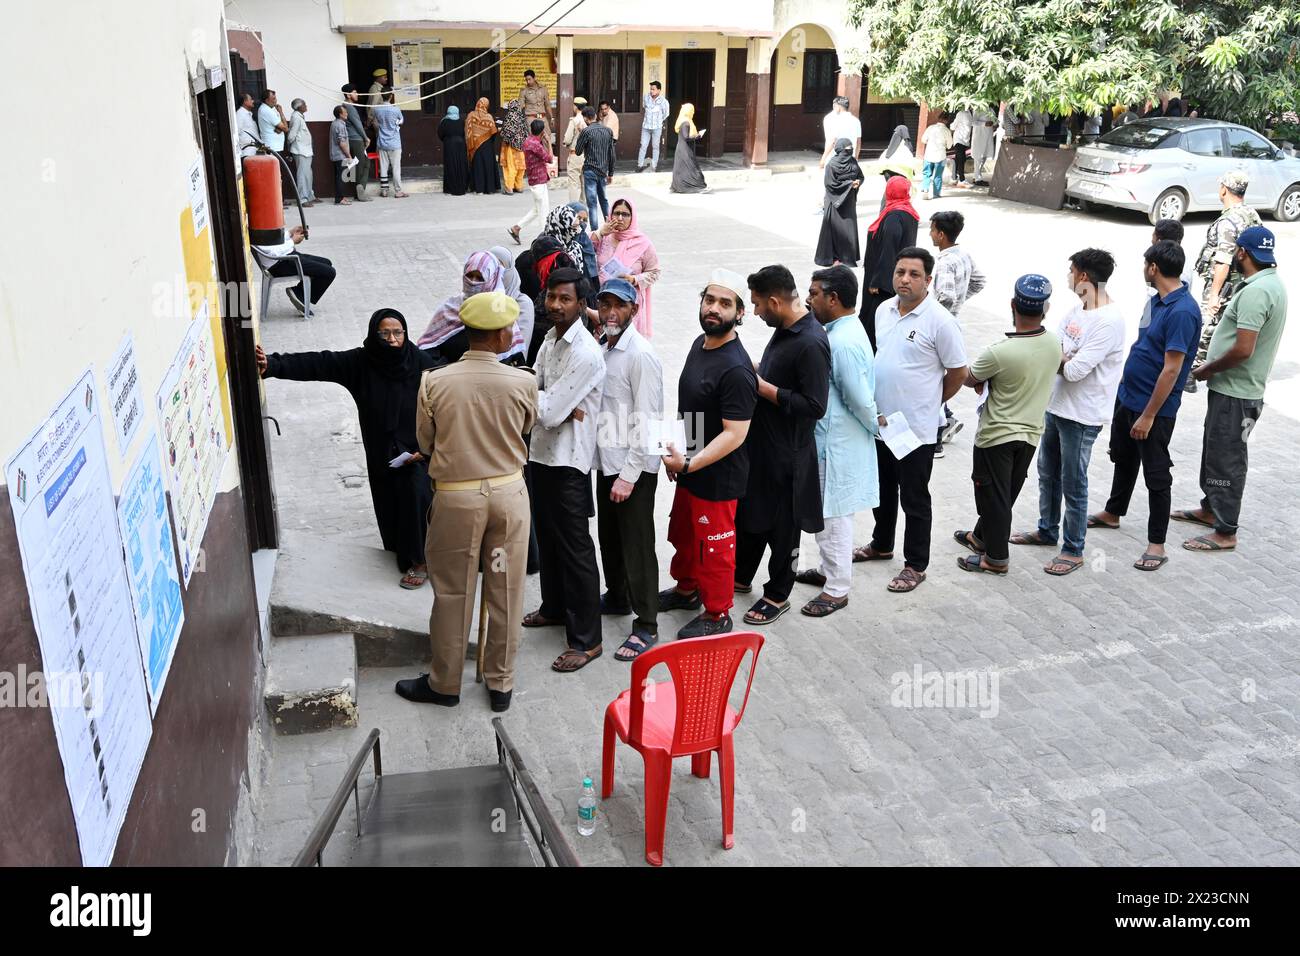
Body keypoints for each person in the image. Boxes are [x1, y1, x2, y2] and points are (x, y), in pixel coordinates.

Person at [395, 292, 537, 712]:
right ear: (499, 335)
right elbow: (526, 427)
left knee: (454, 592)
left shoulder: (434, 380)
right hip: (508, 498)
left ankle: (445, 683)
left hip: (457, 500)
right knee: (506, 590)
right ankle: (500, 683)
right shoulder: (523, 381)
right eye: (509, 327)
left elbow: (425, 440)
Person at [256, 309, 442, 588]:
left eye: (398, 333)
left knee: (415, 492)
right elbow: (320, 363)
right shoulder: (361, 362)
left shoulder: (423, 365)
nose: (392, 340)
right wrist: (272, 365)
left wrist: (429, 449)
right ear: (374, 334)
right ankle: (399, 550)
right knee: (389, 499)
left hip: (418, 449)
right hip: (382, 450)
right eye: (385, 333)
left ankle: (420, 561)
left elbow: (447, 405)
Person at [853, 247, 968, 592]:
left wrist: (932, 401)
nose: (904, 279)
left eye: (914, 274)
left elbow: (959, 371)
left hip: (916, 430)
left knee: (914, 497)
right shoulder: (884, 310)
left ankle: (916, 564)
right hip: (882, 423)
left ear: (928, 280)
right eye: (900, 272)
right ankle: (881, 543)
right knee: (882, 490)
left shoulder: (941, 321)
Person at [1011, 249, 1126, 574]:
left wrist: (1059, 357)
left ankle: (1073, 549)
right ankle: (1047, 529)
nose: (1068, 277)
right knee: (1048, 474)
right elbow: (1056, 350)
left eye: (1072, 271)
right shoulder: (1077, 310)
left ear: (1084, 277)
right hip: (1057, 406)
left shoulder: (1109, 322)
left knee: (1074, 483)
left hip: (1083, 416)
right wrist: (1061, 357)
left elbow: (1073, 370)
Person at [1089, 241, 1202, 572]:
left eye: (1144, 265)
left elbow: (1172, 369)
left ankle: (1157, 543)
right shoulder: (1158, 301)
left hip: (1154, 409)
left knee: (1156, 473)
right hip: (1129, 396)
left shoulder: (1182, 311)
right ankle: (1113, 512)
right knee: (1123, 458)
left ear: (1153, 267)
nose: (1142, 270)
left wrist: (1150, 414)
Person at [1175, 226, 1286, 554]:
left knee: (1227, 459)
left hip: (1238, 393)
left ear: (1242, 253)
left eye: (1236, 252)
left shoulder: (1256, 292)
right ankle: (1210, 510)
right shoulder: (1268, 284)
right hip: (1233, 389)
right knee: (1215, 453)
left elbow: (1243, 350)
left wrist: (1205, 369)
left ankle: (1225, 531)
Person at [660, 270, 756, 638]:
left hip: (718, 477)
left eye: (724, 303)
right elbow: (694, 410)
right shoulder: (700, 344)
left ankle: (717, 613)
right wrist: (681, 456)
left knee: (714, 548)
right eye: (709, 300)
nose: (714, 308)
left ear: (740, 313)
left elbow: (735, 434)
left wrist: (689, 462)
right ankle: (687, 591)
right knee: (683, 535)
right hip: (691, 467)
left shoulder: (735, 367)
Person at [733, 266, 831, 626]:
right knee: (753, 516)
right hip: (764, 449)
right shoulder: (785, 330)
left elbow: (815, 406)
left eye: (758, 305)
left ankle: (778, 593)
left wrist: (765, 389)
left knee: (783, 528)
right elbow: (777, 372)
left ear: (775, 301)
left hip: (789, 457)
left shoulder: (811, 342)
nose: (756, 313)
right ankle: (742, 577)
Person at [521, 268, 606, 673]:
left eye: (565, 299)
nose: (555, 305)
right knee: (549, 540)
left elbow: (548, 411)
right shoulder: (550, 339)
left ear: (581, 303)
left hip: (569, 463)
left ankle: (587, 640)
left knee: (575, 550)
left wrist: (550, 406)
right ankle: (554, 608)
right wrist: (548, 404)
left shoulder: (585, 352)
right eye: (551, 297)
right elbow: (532, 388)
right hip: (540, 455)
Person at [954, 276, 1061, 575]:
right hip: (1030, 434)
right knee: (1004, 493)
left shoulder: (998, 352)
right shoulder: (1054, 343)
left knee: (994, 496)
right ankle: (980, 536)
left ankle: (996, 558)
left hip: (996, 435)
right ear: (1046, 308)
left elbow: (969, 379)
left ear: (1012, 305)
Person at [793, 265, 877, 617]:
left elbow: (858, 398)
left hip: (836, 444)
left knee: (833, 518)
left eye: (813, 293)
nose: (808, 299)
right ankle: (829, 571)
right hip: (832, 440)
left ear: (834, 298)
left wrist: (877, 424)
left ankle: (837, 588)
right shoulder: (842, 329)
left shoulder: (840, 343)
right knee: (827, 513)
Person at [592, 278, 665, 661]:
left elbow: (650, 420)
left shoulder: (640, 355)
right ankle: (618, 597)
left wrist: (630, 475)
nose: (609, 313)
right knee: (611, 539)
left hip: (633, 468)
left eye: (618, 306)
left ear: (634, 310)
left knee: (637, 547)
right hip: (608, 462)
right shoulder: (606, 348)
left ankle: (647, 623)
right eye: (604, 305)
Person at [1188, 171, 1262, 389]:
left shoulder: (1229, 221)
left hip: (1225, 283)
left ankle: (1192, 374)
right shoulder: (1251, 214)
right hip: (1244, 280)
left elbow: (1223, 260)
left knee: (1208, 325)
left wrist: (1213, 296)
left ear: (1224, 189)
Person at [930, 209, 986, 451]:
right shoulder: (963, 255)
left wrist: (935, 315)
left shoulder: (944, 263)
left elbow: (945, 296)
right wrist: (961, 301)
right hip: (953, 321)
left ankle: (937, 433)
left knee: (933, 377)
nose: (930, 234)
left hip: (941, 327)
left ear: (941, 234)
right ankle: (946, 418)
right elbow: (979, 281)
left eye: (932, 229)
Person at [859, 176, 920, 347]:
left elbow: (889, 251)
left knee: (873, 319)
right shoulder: (908, 212)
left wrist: (878, 282)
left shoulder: (895, 216)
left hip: (882, 281)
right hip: (893, 275)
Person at [418, 250, 509, 363]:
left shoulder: (500, 313)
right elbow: (429, 347)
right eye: (469, 276)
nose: (473, 282)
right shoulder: (449, 308)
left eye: (480, 278)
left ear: (492, 280)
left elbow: (510, 355)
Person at [593, 197, 660, 338]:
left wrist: (634, 279)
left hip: (628, 304)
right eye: (616, 213)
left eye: (625, 214)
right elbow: (583, 249)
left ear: (632, 217)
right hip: (603, 301)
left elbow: (654, 272)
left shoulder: (643, 243)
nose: (620, 218)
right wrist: (600, 233)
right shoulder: (604, 237)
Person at [252, 224, 336, 313]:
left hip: (288, 257)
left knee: (327, 263)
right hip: (281, 264)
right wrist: (292, 241)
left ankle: (299, 292)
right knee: (330, 272)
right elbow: (273, 253)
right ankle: (298, 294)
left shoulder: (260, 226)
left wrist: (290, 232)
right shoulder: (256, 230)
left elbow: (274, 241)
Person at [814, 138, 864, 268]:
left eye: (851, 149)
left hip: (849, 202)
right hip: (834, 200)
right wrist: (849, 184)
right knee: (834, 230)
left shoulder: (853, 161)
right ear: (840, 150)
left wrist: (858, 181)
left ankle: (848, 257)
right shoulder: (831, 165)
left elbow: (860, 175)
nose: (850, 151)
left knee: (848, 228)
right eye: (847, 150)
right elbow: (830, 184)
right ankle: (833, 256)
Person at [508, 120, 556, 245]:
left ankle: (517, 228)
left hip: (534, 179)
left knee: (537, 209)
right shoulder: (536, 145)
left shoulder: (528, 141)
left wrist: (543, 140)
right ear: (542, 131)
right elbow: (550, 159)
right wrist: (549, 143)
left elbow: (540, 153)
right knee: (543, 211)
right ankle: (544, 237)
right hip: (539, 180)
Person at [487, 245, 535, 365]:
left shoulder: (522, 304)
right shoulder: (480, 298)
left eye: (501, 267)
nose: (497, 273)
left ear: (510, 269)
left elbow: (520, 351)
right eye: (492, 266)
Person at [575, 105, 616, 229]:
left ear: (586, 119)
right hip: (603, 171)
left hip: (590, 171)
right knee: (603, 199)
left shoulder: (586, 131)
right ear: (595, 116)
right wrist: (611, 173)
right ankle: (610, 226)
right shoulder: (608, 131)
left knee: (592, 204)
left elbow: (578, 151)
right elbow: (611, 154)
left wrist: (579, 134)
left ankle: (595, 231)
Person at [372, 92, 407, 198]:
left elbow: (376, 122)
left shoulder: (377, 109)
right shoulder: (396, 109)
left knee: (383, 167)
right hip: (394, 142)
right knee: (396, 168)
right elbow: (401, 122)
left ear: (382, 96)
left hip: (382, 141)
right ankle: (398, 191)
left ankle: (384, 190)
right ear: (391, 96)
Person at [340, 84, 372, 201]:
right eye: (354, 92)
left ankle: (358, 191)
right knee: (362, 164)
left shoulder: (344, 106)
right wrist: (365, 137)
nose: (357, 94)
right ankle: (360, 190)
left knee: (358, 164)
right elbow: (358, 124)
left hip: (351, 140)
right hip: (356, 139)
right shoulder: (350, 107)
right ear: (348, 95)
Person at [465, 97, 502, 195]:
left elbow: (467, 132)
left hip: (475, 147)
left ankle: (479, 189)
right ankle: (490, 189)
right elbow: (493, 131)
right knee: (488, 166)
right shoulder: (488, 117)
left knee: (478, 167)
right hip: (487, 147)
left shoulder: (470, 115)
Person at [670, 103, 709, 194]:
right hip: (685, 149)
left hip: (682, 148)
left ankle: (678, 187)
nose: (693, 112)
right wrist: (698, 136)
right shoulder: (686, 123)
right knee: (692, 168)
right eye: (692, 110)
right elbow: (686, 137)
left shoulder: (684, 120)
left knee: (682, 169)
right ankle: (699, 187)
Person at [286, 98, 316, 206]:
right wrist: (292, 147)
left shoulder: (299, 116)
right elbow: (291, 136)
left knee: (308, 174)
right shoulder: (296, 117)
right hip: (300, 150)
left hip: (305, 150)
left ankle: (309, 196)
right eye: (304, 104)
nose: (306, 106)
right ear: (299, 107)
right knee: (302, 175)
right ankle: (302, 199)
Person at [820, 96, 862, 169]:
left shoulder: (836, 120)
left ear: (837, 107)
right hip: (850, 159)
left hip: (835, 159)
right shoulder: (856, 121)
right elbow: (858, 141)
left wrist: (823, 158)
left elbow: (833, 141)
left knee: (832, 179)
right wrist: (856, 157)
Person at [637, 81, 670, 173]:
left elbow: (666, 114)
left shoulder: (664, 101)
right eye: (650, 89)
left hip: (657, 128)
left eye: (653, 89)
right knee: (643, 145)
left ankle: (654, 166)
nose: (651, 91)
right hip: (646, 127)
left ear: (659, 90)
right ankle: (639, 165)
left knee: (655, 146)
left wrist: (659, 120)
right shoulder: (646, 97)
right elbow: (644, 107)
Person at [499, 98, 529, 195]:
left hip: (512, 146)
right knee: (521, 167)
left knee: (511, 167)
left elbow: (507, 132)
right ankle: (519, 186)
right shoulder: (522, 116)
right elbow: (526, 132)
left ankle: (509, 188)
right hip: (522, 147)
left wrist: (502, 133)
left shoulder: (510, 116)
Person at [438, 105, 469, 196]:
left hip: (449, 145)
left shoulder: (444, 121)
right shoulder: (461, 121)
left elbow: (440, 133)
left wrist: (447, 140)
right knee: (461, 165)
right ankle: (462, 187)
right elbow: (465, 133)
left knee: (450, 165)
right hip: (461, 145)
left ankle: (450, 188)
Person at [920, 114, 953, 200]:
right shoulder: (946, 131)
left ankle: (925, 190)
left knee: (926, 174)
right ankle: (936, 194)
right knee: (938, 175)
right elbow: (949, 145)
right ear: (946, 121)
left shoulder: (930, 128)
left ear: (938, 118)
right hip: (940, 156)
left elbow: (923, 140)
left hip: (928, 155)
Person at [519, 69, 555, 147]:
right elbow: (520, 106)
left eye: (529, 79)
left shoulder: (543, 88)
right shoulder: (524, 90)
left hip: (542, 118)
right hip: (530, 118)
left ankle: (548, 158)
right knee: (533, 141)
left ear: (534, 78)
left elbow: (547, 104)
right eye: (526, 80)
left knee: (547, 138)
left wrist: (551, 117)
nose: (528, 82)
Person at [327, 105, 354, 205]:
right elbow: (342, 143)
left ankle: (341, 196)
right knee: (341, 178)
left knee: (340, 177)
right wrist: (349, 155)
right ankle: (339, 199)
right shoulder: (340, 125)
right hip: (340, 155)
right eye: (345, 112)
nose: (347, 113)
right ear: (340, 114)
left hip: (336, 155)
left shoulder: (336, 123)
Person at [563, 97, 588, 202]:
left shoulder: (574, 120)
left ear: (575, 106)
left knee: (574, 184)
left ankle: (573, 208)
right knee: (584, 183)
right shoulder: (588, 120)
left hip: (575, 155)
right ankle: (584, 209)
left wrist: (567, 144)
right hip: (586, 155)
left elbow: (567, 139)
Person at [257, 89, 288, 155]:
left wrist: (280, 128)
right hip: (272, 147)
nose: (276, 101)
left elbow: (281, 128)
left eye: (275, 98)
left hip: (274, 146)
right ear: (267, 100)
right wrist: (281, 112)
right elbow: (285, 128)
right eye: (273, 98)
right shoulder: (267, 110)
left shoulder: (269, 109)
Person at [970, 107, 996, 184]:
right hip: (979, 136)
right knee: (978, 156)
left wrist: (995, 124)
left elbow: (994, 120)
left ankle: (976, 176)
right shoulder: (978, 109)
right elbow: (973, 122)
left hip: (988, 136)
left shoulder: (991, 109)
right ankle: (978, 179)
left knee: (984, 156)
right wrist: (984, 124)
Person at [950, 109, 973, 185]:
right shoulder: (961, 113)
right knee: (961, 159)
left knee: (959, 158)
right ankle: (961, 179)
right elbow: (953, 126)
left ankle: (954, 177)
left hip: (965, 140)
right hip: (959, 139)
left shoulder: (970, 113)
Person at [236, 93, 259, 157]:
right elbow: (236, 133)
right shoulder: (239, 114)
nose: (253, 101)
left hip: (254, 150)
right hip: (247, 152)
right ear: (245, 102)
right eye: (251, 99)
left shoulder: (248, 114)